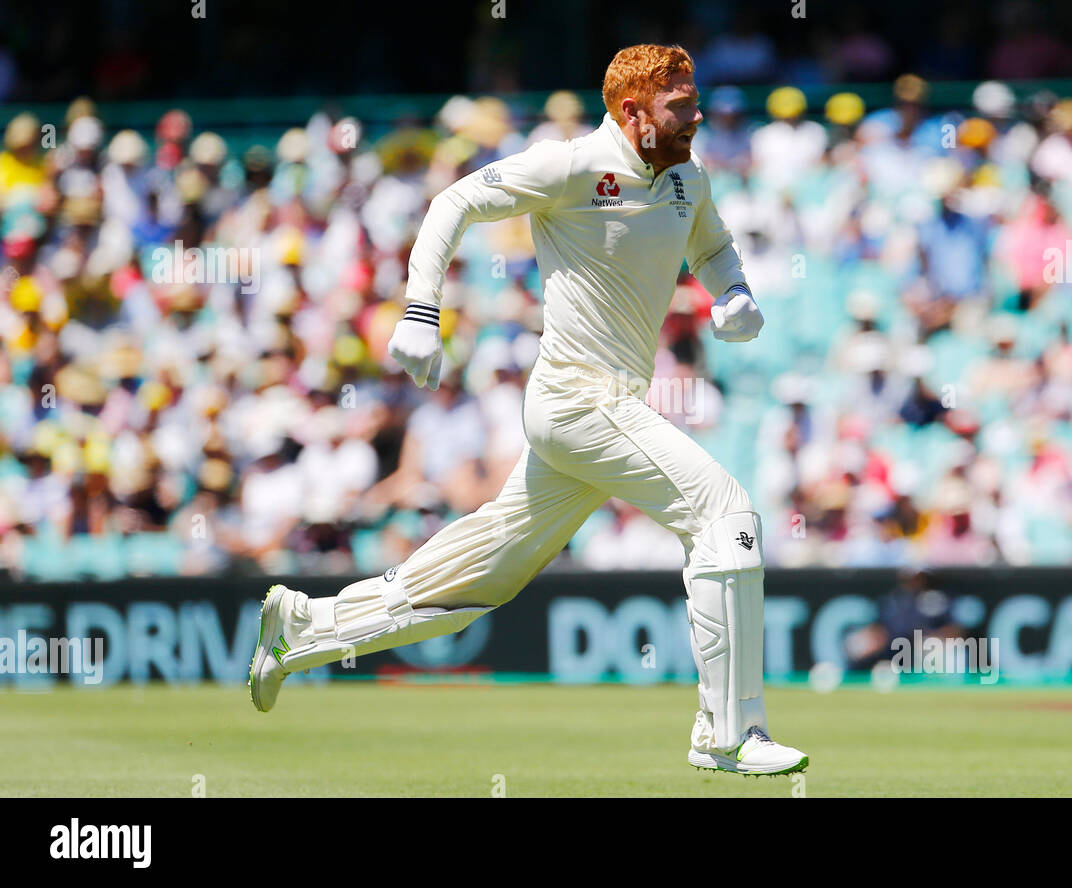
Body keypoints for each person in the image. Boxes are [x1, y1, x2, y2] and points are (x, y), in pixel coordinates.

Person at [248, 43, 809, 776]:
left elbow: (714, 248)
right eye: (679, 106)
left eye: (693, 100)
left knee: (488, 573)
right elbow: (455, 201)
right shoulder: (572, 165)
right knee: (726, 514)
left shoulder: (687, 179)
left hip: (604, 410)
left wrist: (732, 294)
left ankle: (303, 627)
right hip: (578, 398)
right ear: (632, 112)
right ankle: (728, 732)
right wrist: (422, 312)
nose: (696, 115)